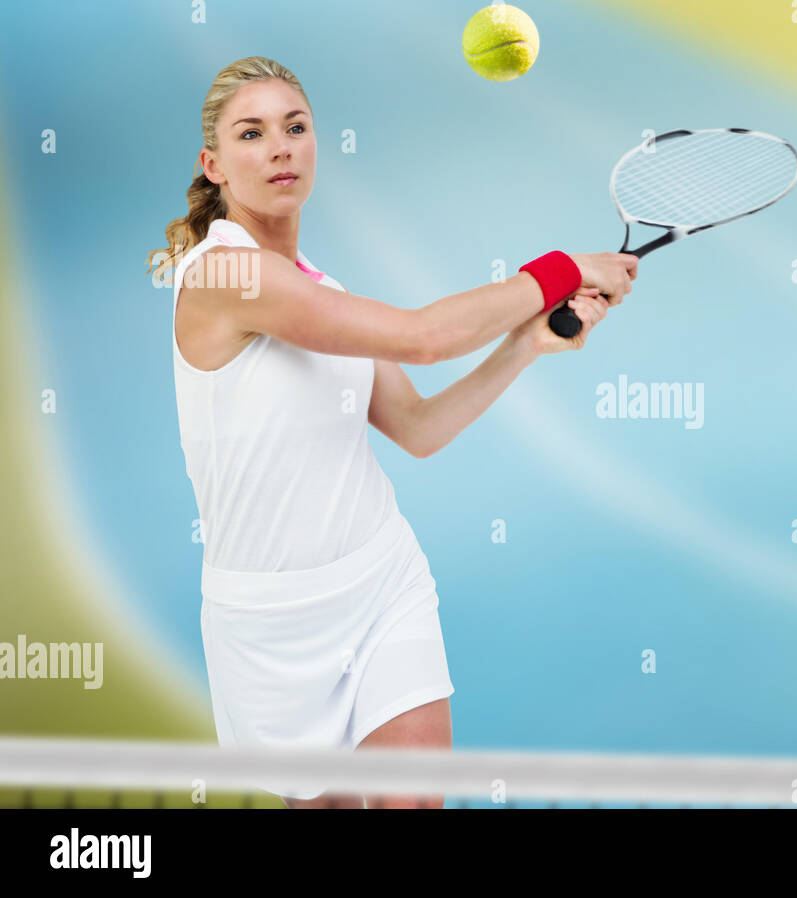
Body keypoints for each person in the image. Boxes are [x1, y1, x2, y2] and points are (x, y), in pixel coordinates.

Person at [144, 56, 637, 809]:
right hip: (270, 628)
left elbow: (417, 426)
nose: (280, 147)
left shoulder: (325, 293)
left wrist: (524, 345)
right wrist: (563, 267)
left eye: (295, 127)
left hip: (381, 583)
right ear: (214, 166)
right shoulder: (219, 278)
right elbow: (424, 337)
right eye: (252, 133)